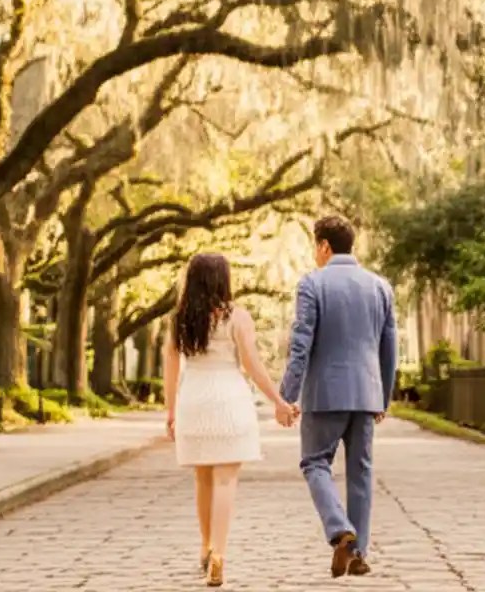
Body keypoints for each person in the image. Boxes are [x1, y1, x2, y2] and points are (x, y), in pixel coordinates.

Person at [163, 253, 298, 588]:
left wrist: (170, 411)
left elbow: (170, 366)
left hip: (193, 397)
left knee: (202, 478)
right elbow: (252, 365)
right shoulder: (237, 316)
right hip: (228, 398)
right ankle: (220, 554)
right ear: (224, 279)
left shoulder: (179, 318)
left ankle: (205, 547)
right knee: (225, 480)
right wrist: (278, 401)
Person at [279, 215, 398, 578]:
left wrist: (287, 394)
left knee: (314, 463)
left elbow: (301, 344)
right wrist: (385, 396)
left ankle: (339, 530)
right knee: (361, 472)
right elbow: (388, 347)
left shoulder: (312, 284)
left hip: (325, 394)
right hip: (366, 393)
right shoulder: (380, 287)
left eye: (315, 246)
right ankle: (359, 553)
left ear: (324, 246)